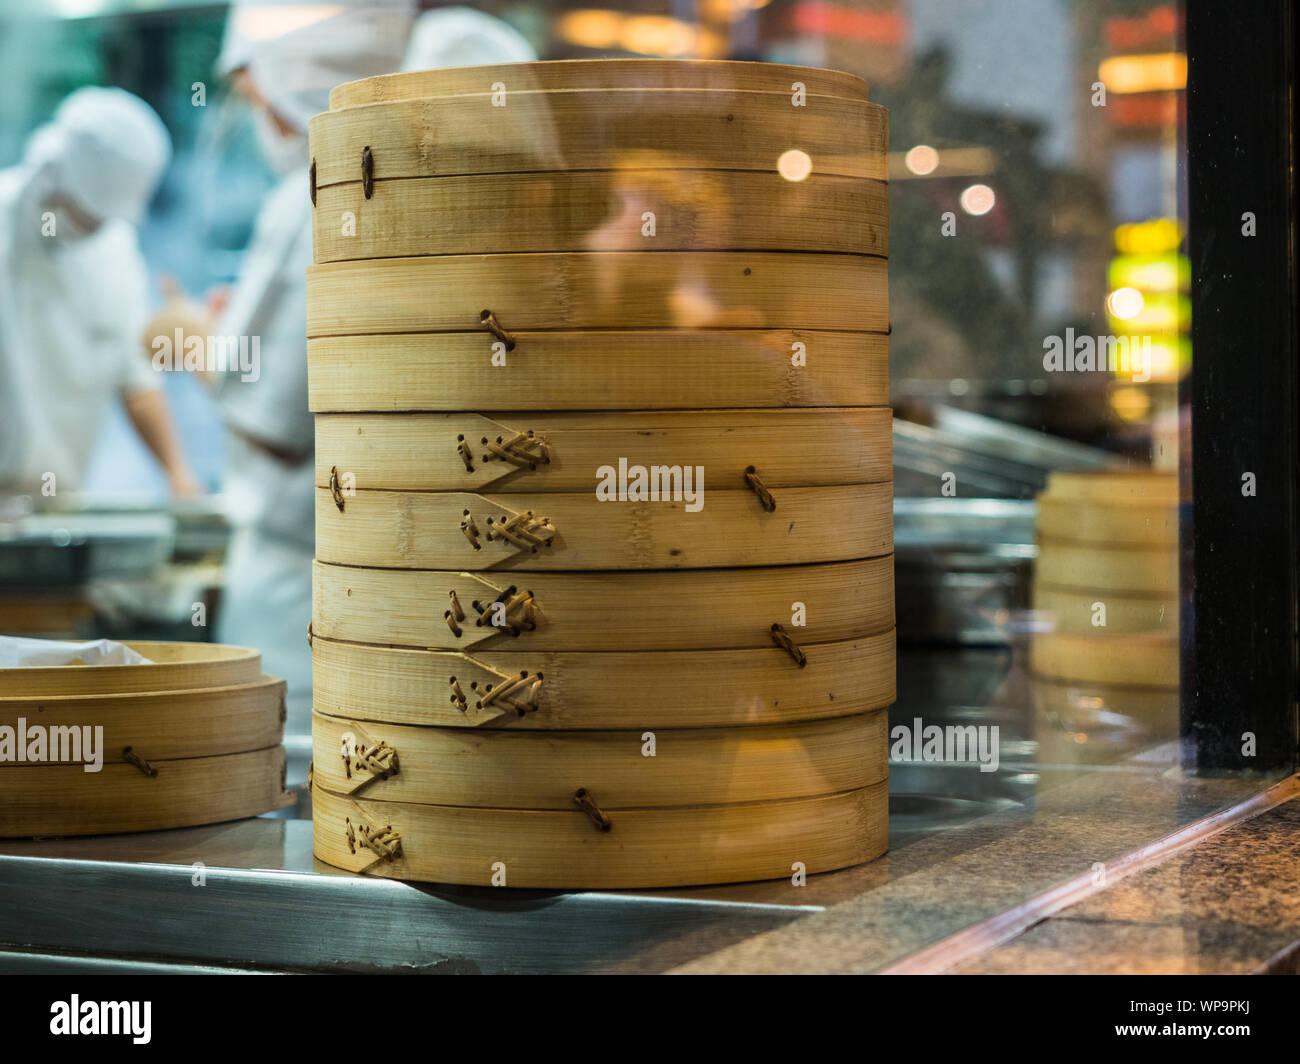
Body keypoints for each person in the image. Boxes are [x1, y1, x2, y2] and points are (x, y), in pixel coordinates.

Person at [209, 2, 415, 732]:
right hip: (383, 592)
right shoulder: (404, 189)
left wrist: (190, 341)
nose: (248, 108)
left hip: (302, 591)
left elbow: (275, 424)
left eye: (250, 87)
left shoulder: (316, 196)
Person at [0, 87, 199, 499]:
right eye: (86, 216)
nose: (93, 230)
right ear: (51, 179)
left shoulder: (116, 249)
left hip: (58, 504)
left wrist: (179, 477)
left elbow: (136, 380)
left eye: (101, 221)